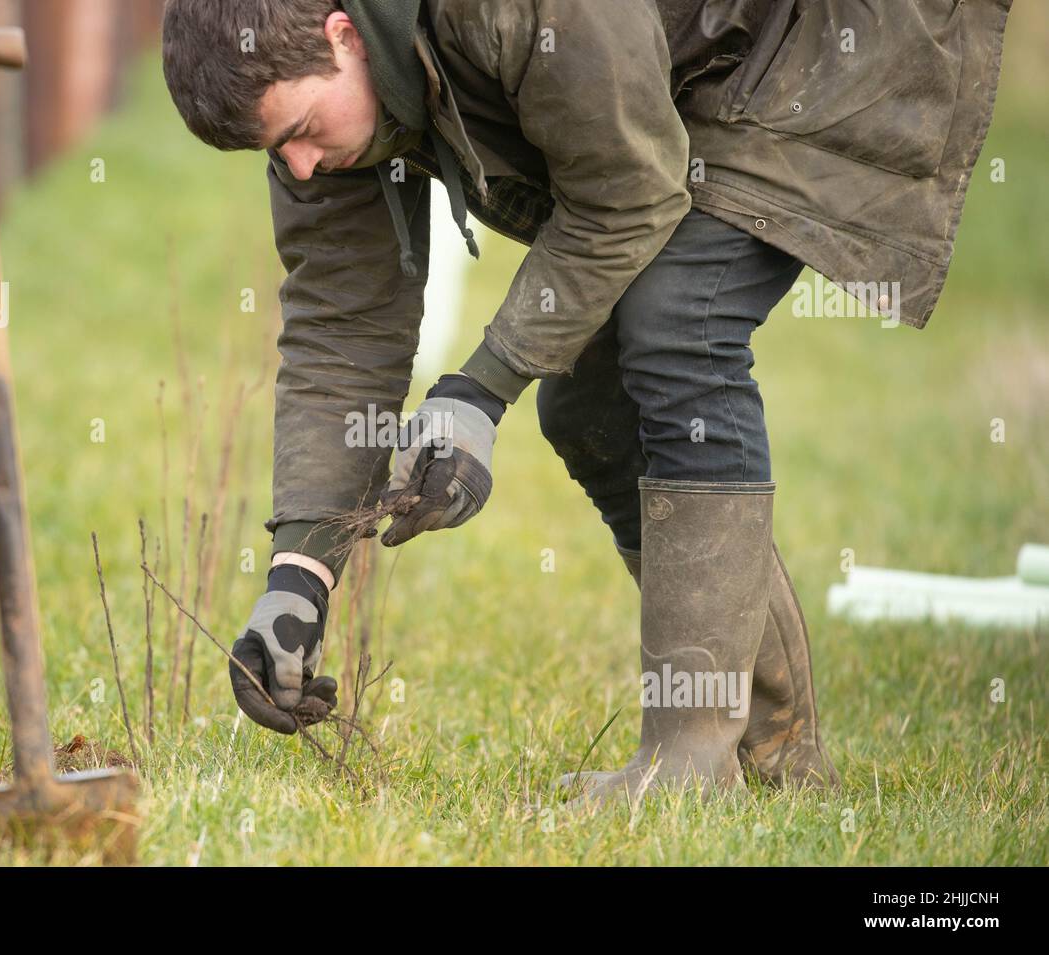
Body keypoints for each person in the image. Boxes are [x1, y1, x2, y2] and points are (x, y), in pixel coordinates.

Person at [161, 0, 1012, 804]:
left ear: (344, 33)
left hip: (820, 32)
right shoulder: (320, 113)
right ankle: (778, 753)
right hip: (683, 71)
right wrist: (296, 583)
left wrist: (477, 393)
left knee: (680, 325)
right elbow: (340, 329)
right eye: (276, 153)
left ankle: (691, 761)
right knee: (588, 408)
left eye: (301, 132)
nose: (299, 166)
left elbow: (628, 191)